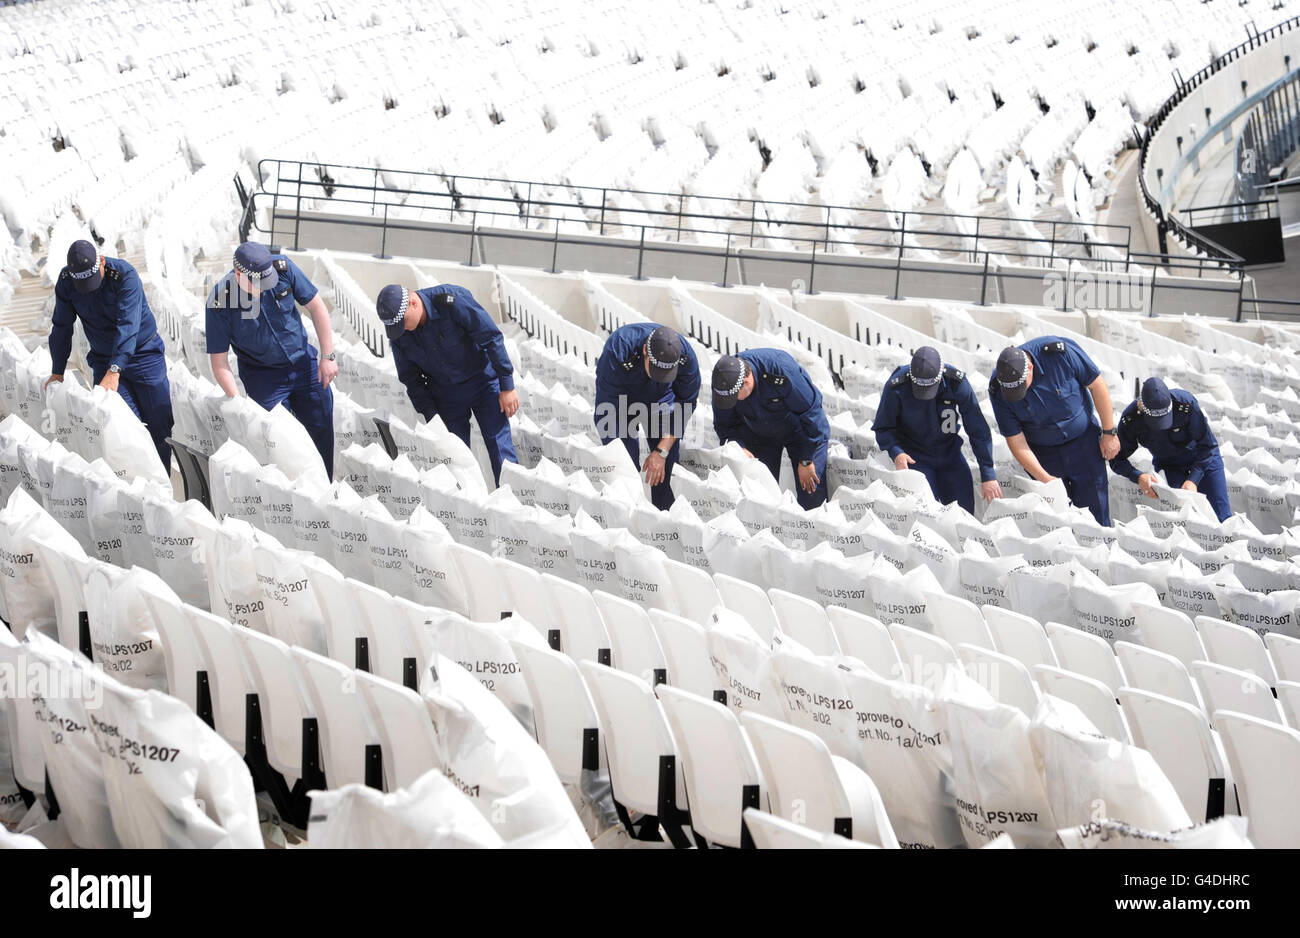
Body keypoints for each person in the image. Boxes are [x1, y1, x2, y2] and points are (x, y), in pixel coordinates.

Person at [205, 242, 338, 477]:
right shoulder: (220, 300)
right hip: (263, 378)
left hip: (304, 365)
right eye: (258, 284)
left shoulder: (283, 268)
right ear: (238, 274)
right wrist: (237, 401)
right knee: (279, 446)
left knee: (322, 430)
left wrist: (328, 357)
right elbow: (219, 362)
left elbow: (317, 307)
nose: (265, 288)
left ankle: (324, 488)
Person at [47, 240, 174, 470]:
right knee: (121, 427)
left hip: (143, 353)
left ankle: (162, 484)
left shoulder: (125, 276)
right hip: (104, 359)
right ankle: (138, 489)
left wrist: (116, 369)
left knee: (159, 425)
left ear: (102, 261)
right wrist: (57, 371)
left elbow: (127, 326)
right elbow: (61, 327)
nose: (90, 288)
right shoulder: (67, 282)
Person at [376, 283, 519, 485]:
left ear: (414, 303)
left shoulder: (452, 301)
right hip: (446, 395)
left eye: (404, 322)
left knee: (501, 452)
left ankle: (512, 506)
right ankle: (468, 510)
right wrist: (431, 415)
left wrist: (507, 386)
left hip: (483, 383)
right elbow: (410, 378)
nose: (403, 329)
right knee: (455, 461)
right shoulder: (400, 333)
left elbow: (491, 337)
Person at [989, 335, 1120, 526]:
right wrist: (1045, 479)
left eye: (1021, 386)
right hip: (1043, 454)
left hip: (1084, 445)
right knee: (1056, 522)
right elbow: (1016, 440)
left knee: (1096, 517)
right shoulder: (998, 388)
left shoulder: (1058, 354)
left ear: (1031, 368)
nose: (1019, 393)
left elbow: (1096, 384)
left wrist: (1109, 433)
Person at [872, 346, 1002, 513]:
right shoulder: (897, 385)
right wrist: (896, 452)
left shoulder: (956, 382)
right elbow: (883, 427)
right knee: (927, 515)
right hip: (915, 456)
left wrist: (988, 473)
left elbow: (977, 428)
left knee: (963, 513)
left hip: (950, 454)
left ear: (940, 377)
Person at [593, 323, 700, 510]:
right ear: (645, 351)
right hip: (621, 400)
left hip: (660, 398)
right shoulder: (618, 348)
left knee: (665, 467)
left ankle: (664, 519)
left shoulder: (687, 357)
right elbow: (607, 410)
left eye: (666, 373)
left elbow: (685, 406)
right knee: (623, 463)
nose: (660, 375)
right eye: (657, 370)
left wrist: (661, 451)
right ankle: (627, 514)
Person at [711, 349, 830, 510]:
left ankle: (814, 531)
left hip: (802, 431)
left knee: (811, 491)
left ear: (746, 382)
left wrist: (806, 459)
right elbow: (725, 425)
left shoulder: (780, 369)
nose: (731, 402)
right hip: (759, 431)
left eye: (734, 398)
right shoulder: (724, 382)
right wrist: (738, 446)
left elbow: (812, 414)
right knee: (759, 494)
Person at [1110, 377, 1232, 521]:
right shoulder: (1132, 418)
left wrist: (1193, 479)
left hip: (1203, 460)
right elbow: (1116, 458)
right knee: (1182, 519)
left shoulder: (1186, 404)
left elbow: (1208, 445)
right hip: (1169, 466)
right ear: (1142, 408)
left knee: (1222, 518)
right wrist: (1138, 476)